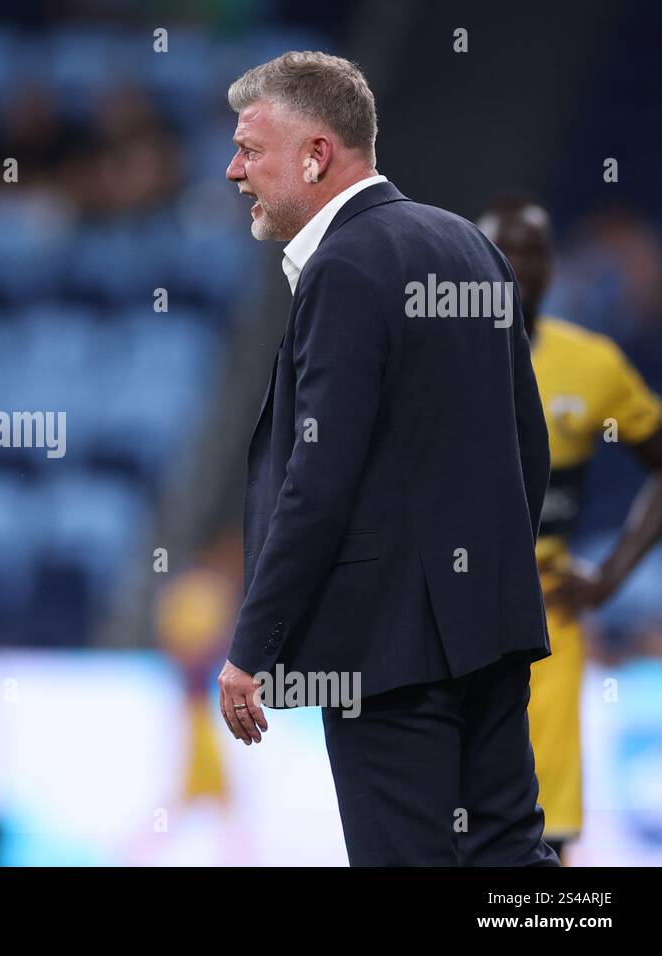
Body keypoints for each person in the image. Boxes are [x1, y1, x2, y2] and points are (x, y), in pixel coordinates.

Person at [216, 51, 558, 866]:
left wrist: (251, 646)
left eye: (249, 149)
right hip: (492, 632)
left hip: (382, 652)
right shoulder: (471, 247)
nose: (233, 171)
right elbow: (528, 444)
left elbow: (318, 479)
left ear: (315, 154)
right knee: (510, 859)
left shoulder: (344, 266)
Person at [479, 197, 662, 861]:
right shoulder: (418, 361)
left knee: (545, 833)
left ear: (553, 268)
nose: (515, 269)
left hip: (546, 621)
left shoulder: (592, 366)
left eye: (530, 253)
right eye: (498, 254)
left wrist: (611, 576)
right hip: (441, 625)